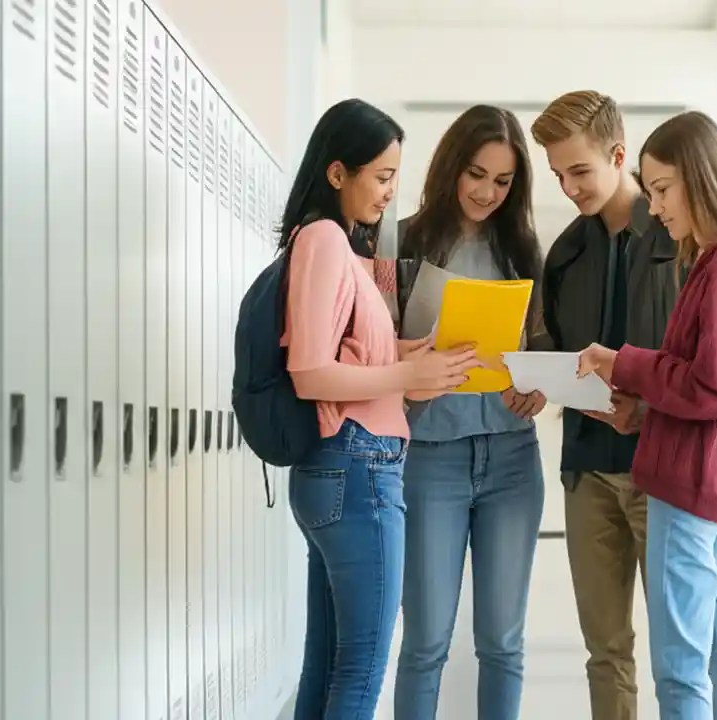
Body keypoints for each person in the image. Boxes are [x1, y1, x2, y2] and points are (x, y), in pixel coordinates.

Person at [577, 110, 717, 720]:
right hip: (715, 490)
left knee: (681, 673)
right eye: (651, 192)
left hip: (691, 495)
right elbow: (715, 393)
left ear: (701, 179)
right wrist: (645, 414)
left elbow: (716, 390)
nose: (657, 207)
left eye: (664, 189)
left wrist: (623, 363)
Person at [278, 98, 481, 720]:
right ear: (338, 173)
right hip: (359, 468)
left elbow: (345, 354)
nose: (392, 192)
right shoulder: (323, 240)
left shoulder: (337, 245)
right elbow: (309, 372)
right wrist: (404, 373)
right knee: (362, 672)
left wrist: (407, 357)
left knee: (331, 668)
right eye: (383, 176)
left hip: (346, 467)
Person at [391, 104, 549, 720]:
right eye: (476, 174)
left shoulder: (525, 251)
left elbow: (538, 353)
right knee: (426, 643)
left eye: (503, 181)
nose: (487, 192)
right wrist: (410, 376)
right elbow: (374, 357)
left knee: (503, 644)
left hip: (512, 458)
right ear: (453, 167)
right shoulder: (402, 244)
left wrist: (533, 387)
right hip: (431, 459)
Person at [529, 90, 681, 720]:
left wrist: (644, 411)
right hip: (587, 469)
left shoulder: (676, 239)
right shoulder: (564, 253)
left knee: (680, 650)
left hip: (664, 470)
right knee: (605, 649)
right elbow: (557, 354)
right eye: (558, 174)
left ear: (620, 155)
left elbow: (697, 367)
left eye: (580, 171)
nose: (568, 187)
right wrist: (533, 377)